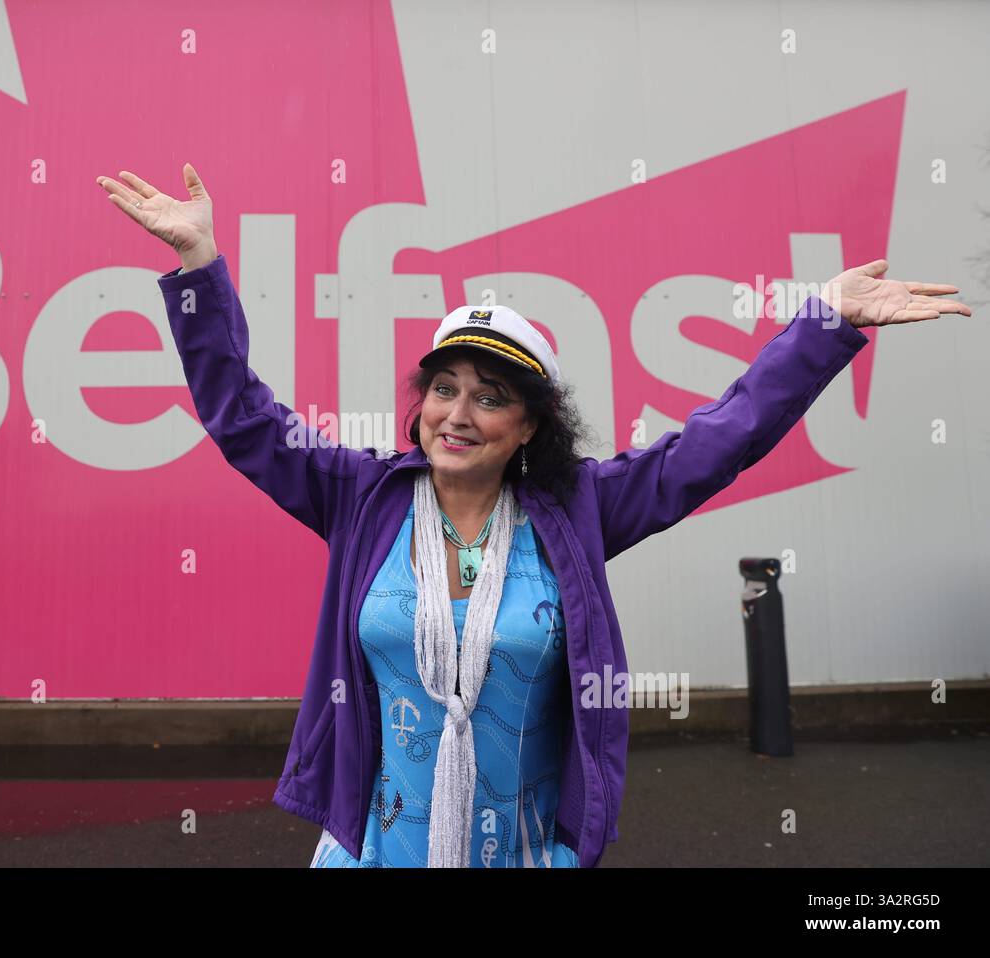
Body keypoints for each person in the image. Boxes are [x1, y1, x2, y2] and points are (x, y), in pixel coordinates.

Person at [95, 162, 972, 868]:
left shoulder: (578, 510)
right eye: (444, 389)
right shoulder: (360, 499)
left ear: (527, 428)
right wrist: (199, 272)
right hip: (375, 853)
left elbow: (717, 441)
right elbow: (243, 419)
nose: (457, 413)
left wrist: (822, 329)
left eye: (489, 397)